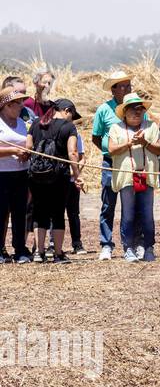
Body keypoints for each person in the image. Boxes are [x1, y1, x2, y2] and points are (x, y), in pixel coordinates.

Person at [92, 71, 149, 261]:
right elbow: (96, 136)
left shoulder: (138, 107)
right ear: (113, 89)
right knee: (108, 203)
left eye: (128, 85)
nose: (126, 89)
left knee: (134, 205)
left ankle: (134, 244)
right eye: (122, 86)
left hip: (135, 163)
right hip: (112, 162)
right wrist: (111, 150)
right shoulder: (104, 110)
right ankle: (106, 244)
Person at [27, 97, 82, 264]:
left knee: (39, 212)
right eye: (72, 115)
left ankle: (39, 252)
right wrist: (78, 176)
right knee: (58, 213)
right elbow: (73, 153)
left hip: (36, 175)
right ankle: (58, 253)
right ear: (67, 111)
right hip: (59, 176)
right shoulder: (68, 127)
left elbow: (28, 147)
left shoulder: (36, 123)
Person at [107, 92, 160, 262]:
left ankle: (148, 247)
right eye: (133, 109)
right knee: (128, 214)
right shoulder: (116, 128)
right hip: (126, 177)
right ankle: (128, 248)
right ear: (125, 112)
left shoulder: (151, 126)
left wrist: (145, 143)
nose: (137, 112)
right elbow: (111, 150)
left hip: (146, 174)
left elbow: (159, 149)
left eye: (140, 109)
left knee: (147, 214)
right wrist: (128, 144)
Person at [0, 86, 33, 263]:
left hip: (21, 173)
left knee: (20, 212)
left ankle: (20, 248)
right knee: (1, 212)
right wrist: (13, 150)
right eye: (17, 103)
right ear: (6, 105)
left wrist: (27, 152)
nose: (22, 105)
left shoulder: (21, 123)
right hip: (2, 174)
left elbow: (27, 143)